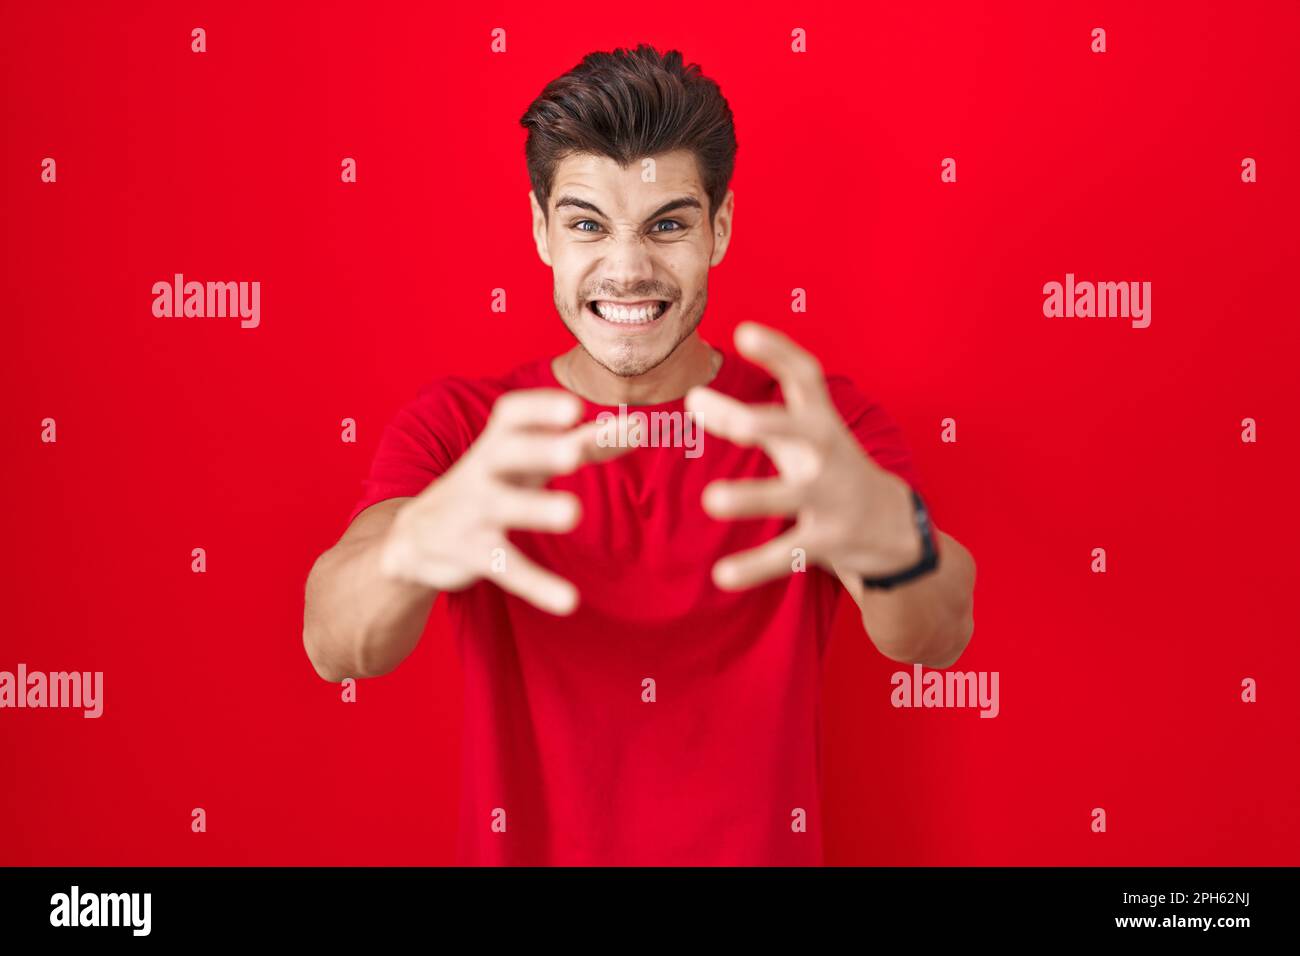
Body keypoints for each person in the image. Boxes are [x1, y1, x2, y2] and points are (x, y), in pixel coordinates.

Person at [303, 43, 976, 865]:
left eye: (668, 225)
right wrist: (410, 545)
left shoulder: (812, 430)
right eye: (588, 224)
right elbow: (337, 645)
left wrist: (896, 541)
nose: (627, 271)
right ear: (541, 230)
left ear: (719, 227)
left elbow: (936, 635)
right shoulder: (462, 430)